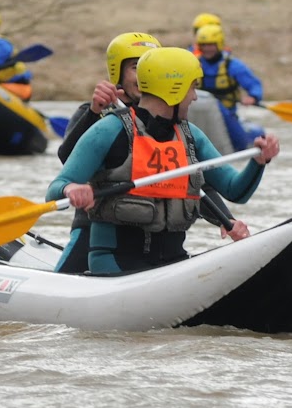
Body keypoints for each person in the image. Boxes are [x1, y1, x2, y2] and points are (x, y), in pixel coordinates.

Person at [47, 46, 278, 277]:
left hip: (172, 263)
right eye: (192, 88)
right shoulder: (109, 130)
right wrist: (71, 188)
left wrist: (258, 162)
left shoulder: (191, 136)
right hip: (116, 264)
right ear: (174, 89)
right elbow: (55, 189)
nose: (195, 97)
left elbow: (235, 190)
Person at [51, 32, 161, 272]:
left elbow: (195, 178)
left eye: (149, 66)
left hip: (150, 232)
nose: (144, 75)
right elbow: (68, 159)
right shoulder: (92, 113)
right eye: (135, 67)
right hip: (96, 227)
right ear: (118, 73)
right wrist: (95, 112)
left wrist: (226, 221)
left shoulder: (166, 120)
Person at [195, 22, 265, 152]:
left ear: (219, 44)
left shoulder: (233, 65)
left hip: (226, 114)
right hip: (198, 115)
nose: (206, 49)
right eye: (203, 45)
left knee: (241, 145)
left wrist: (253, 97)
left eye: (210, 44)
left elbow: (254, 84)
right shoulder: (193, 62)